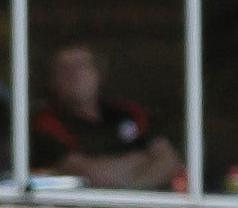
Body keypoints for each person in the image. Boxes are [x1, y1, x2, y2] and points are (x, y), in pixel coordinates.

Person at [28, 39, 177, 190]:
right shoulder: (46, 123)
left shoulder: (128, 112)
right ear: (52, 80)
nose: (75, 74)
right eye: (65, 68)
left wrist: (134, 189)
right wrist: (141, 161)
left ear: (98, 74)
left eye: (83, 65)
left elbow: (168, 161)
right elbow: (88, 174)